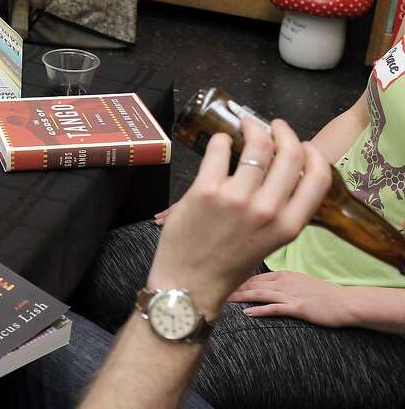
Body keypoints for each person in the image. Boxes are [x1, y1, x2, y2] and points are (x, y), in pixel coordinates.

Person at [78, 82, 405, 408]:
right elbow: (361, 116)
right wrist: (260, 192)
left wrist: (345, 301)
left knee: (185, 372)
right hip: (296, 238)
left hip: (372, 315)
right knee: (97, 268)